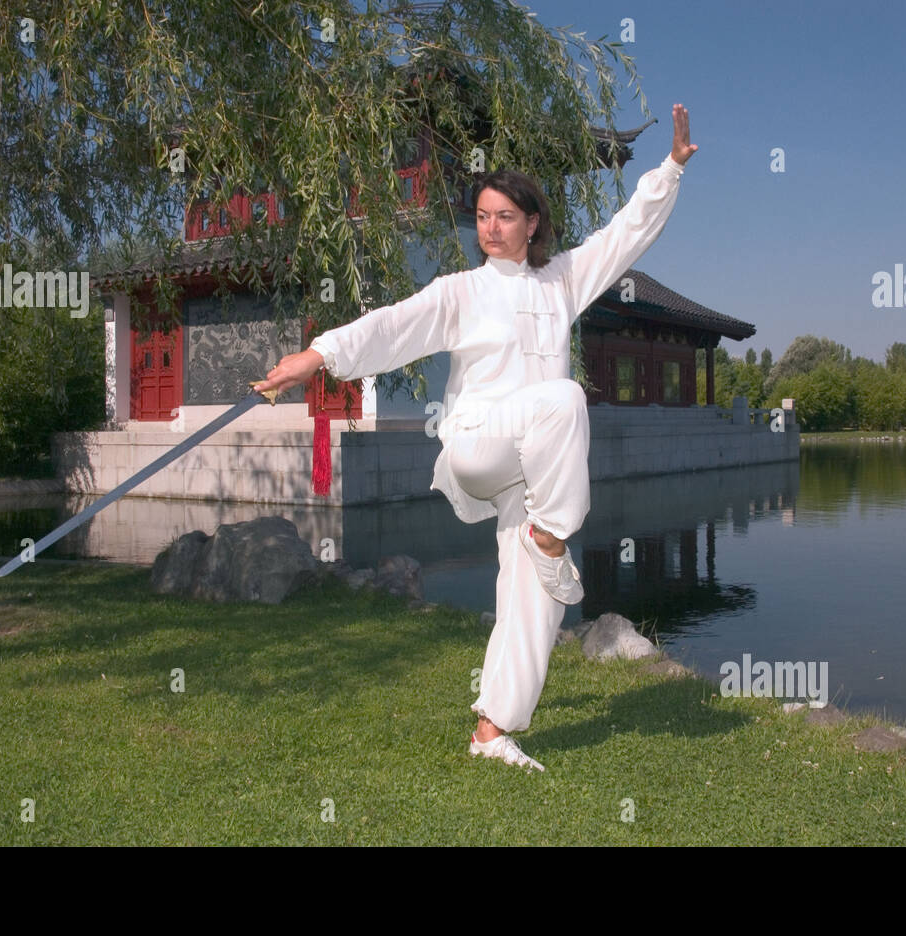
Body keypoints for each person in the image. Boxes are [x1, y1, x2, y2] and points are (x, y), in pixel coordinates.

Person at [252, 103, 698, 772]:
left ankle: (493, 730)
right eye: (483, 215)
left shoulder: (562, 282)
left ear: (532, 224)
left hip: (534, 472)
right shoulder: (461, 291)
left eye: (505, 216)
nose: (490, 227)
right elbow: (391, 325)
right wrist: (316, 356)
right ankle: (552, 537)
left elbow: (626, 234)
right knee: (567, 396)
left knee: (537, 599)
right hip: (476, 446)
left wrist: (668, 169)